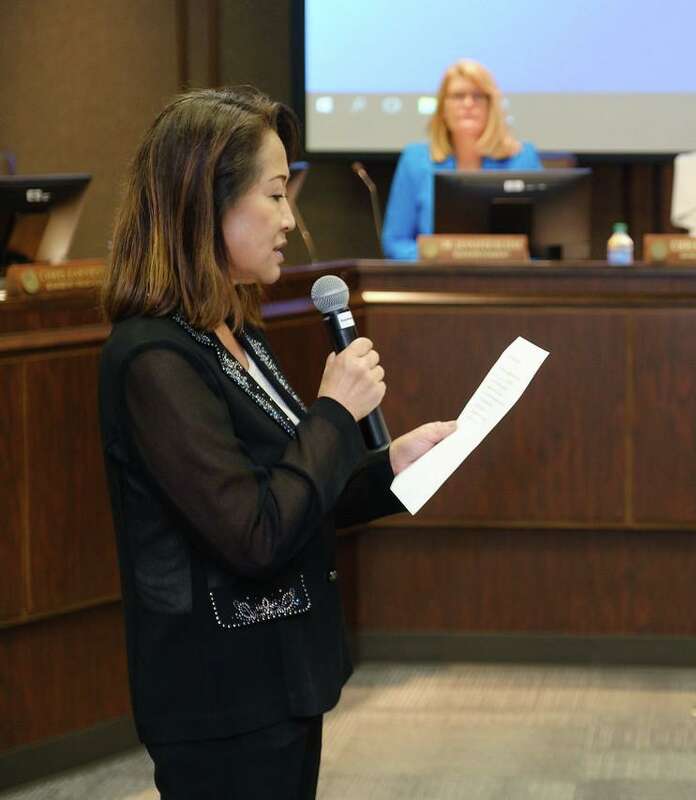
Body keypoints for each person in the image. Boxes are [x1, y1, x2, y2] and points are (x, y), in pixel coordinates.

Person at [98, 87, 455, 798]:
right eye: (275, 194)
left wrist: (390, 465)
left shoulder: (235, 330)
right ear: (208, 203)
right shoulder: (154, 359)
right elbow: (253, 532)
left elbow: (290, 487)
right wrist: (332, 411)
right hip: (217, 695)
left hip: (279, 674)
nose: (292, 219)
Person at [381, 59, 542, 260]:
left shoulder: (522, 158)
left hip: (506, 284)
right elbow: (395, 242)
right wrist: (436, 260)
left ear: (491, 105)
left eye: (477, 96)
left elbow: (541, 246)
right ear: (442, 108)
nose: (468, 103)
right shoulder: (415, 160)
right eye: (458, 96)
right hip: (435, 284)